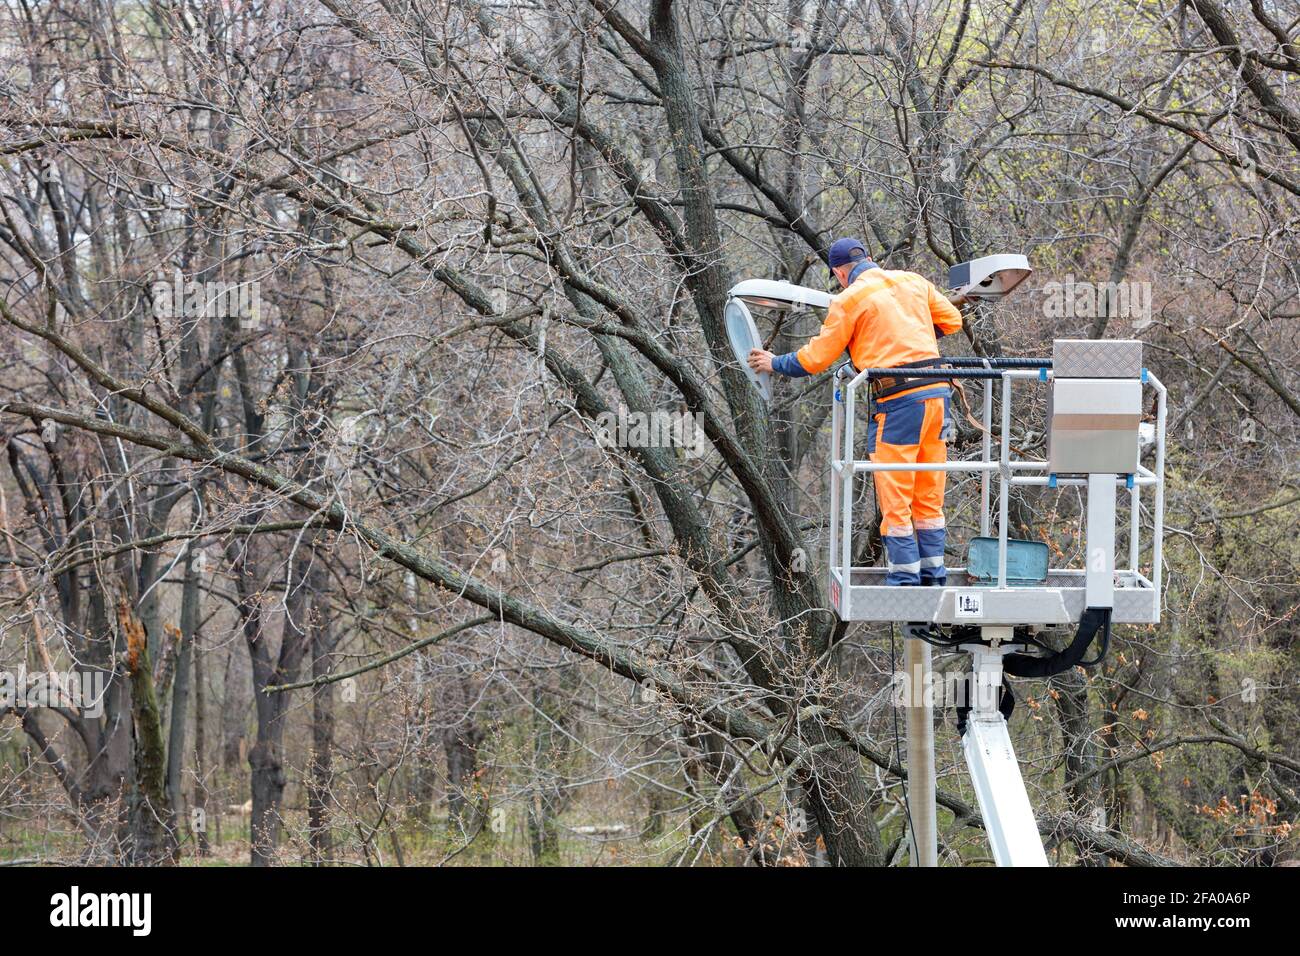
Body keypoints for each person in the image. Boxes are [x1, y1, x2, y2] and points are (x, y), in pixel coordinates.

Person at [748, 238, 963, 586]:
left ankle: (906, 580)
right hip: (939, 396)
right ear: (870, 259)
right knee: (929, 491)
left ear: (839, 273)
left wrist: (776, 363)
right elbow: (952, 321)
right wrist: (911, 329)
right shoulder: (913, 281)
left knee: (896, 495)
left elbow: (816, 358)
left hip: (899, 402)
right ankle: (934, 575)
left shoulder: (849, 299)